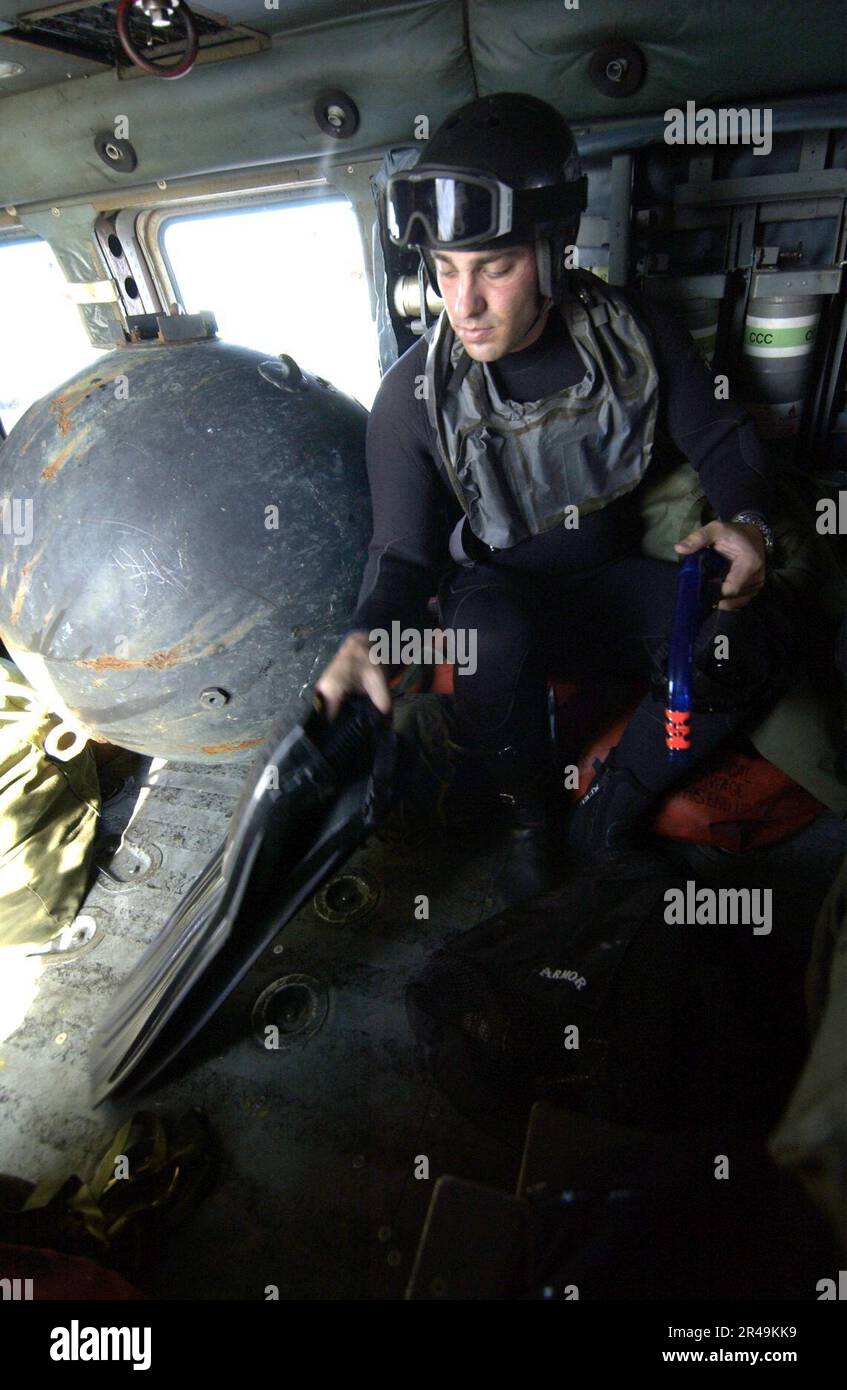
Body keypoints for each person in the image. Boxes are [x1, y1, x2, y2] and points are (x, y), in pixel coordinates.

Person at [316, 91, 796, 901]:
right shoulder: (412, 396)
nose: (461, 304)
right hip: (501, 595)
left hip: (610, 580)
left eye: (493, 268)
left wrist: (746, 525)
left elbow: (720, 439)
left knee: (751, 641)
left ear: (552, 247)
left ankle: (608, 813)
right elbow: (401, 553)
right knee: (487, 636)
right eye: (443, 271)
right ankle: (529, 819)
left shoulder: (633, 335)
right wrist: (368, 634)